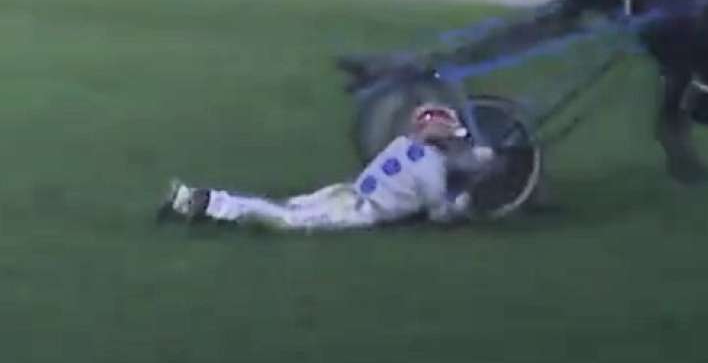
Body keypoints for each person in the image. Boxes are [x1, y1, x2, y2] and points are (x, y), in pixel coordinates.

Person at [158, 102, 503, 231]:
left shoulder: (403, 144)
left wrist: (476, 161)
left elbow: (440, 163)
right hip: (359, 212)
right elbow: (440, 214)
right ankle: (206, 201)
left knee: (287, 209)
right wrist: (465, 200)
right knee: (287, 220)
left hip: (345, 193)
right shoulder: (431, 169)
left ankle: (205, 205)